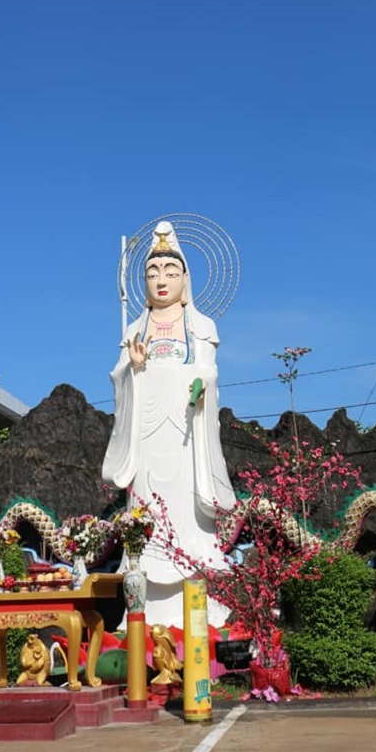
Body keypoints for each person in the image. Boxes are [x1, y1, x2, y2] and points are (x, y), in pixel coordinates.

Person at [102, 221, 235, 627]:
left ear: (185, 278)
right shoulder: (133, 330)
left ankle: (198, 610)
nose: (161, 281)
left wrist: (199, 384)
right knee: (147, 518)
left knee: (185, 515)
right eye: (152, 273)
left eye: (170, 272)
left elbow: (209, 375)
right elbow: (119, 379)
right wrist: (134, 371)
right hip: (145, 435)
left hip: (186, 437)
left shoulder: (202, 326)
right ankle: (141, 612)